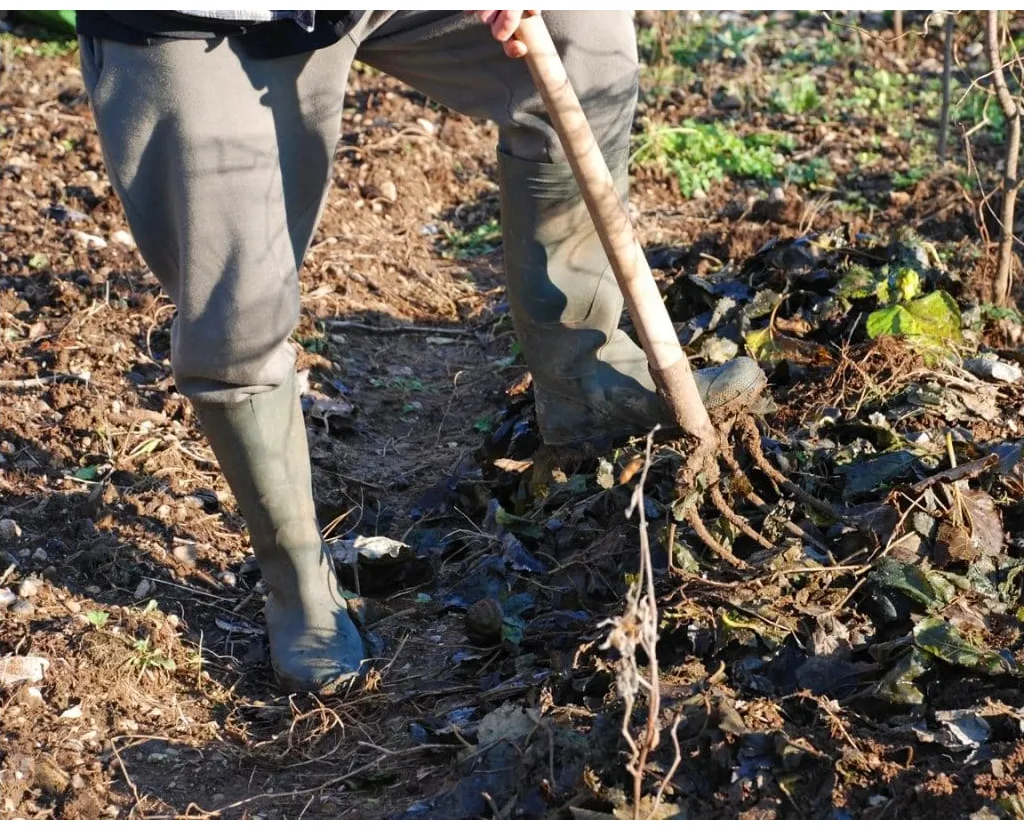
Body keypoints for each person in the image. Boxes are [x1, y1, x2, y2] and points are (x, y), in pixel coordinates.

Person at [75, 11, 765, 693]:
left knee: (583, 40)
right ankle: (296, 579)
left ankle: (584, 380)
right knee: (238, 306)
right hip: (200, 22)